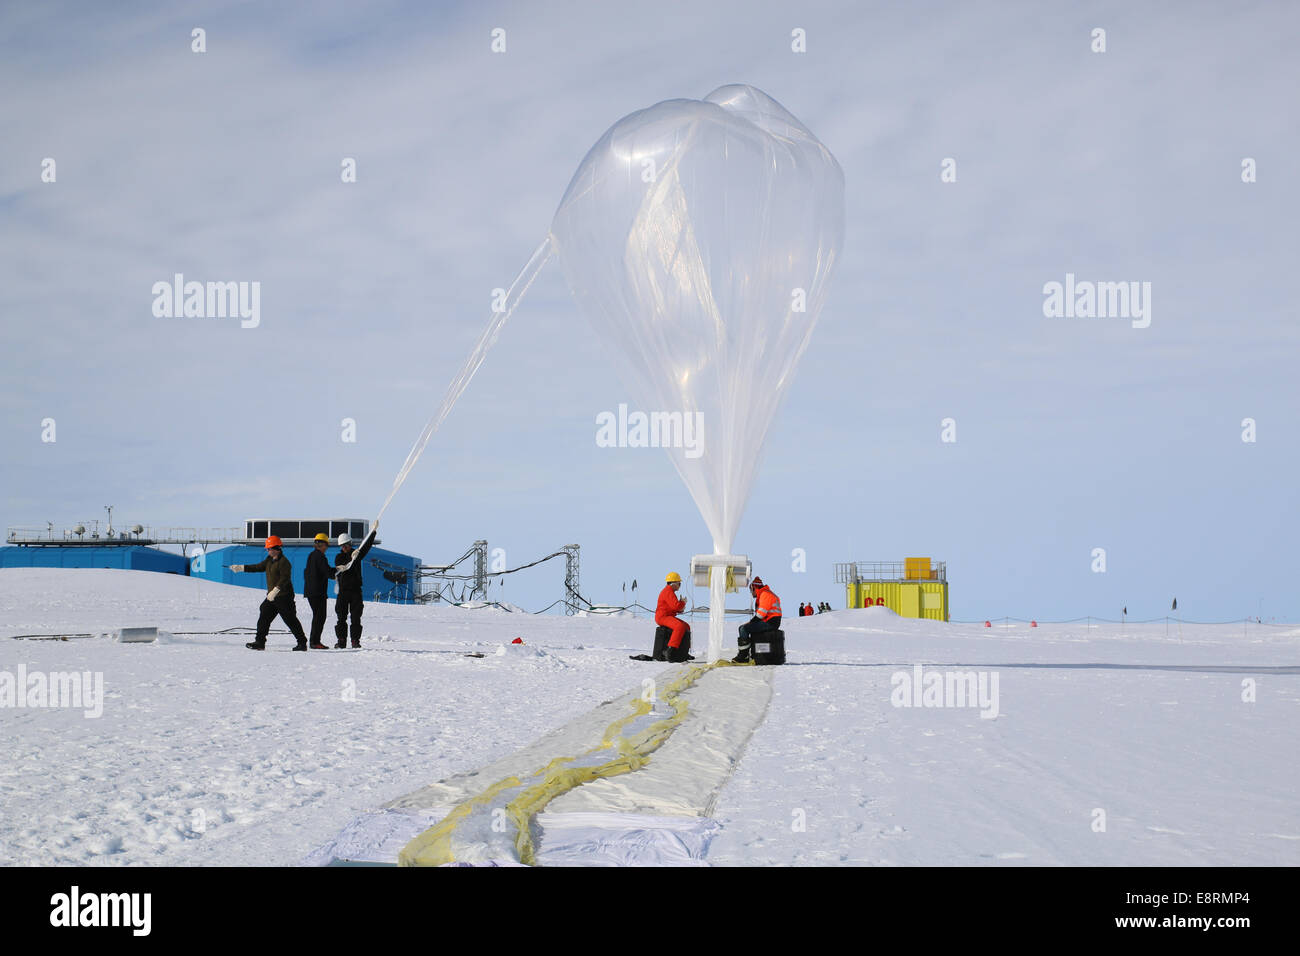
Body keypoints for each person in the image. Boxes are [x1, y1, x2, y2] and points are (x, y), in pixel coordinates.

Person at [230, 536, 310, 651]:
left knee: (290, 620)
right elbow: (258, 567)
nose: (267, 551)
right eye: (267, 549)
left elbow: (285, 578)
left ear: (276, 548)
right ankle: (260, 642)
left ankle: (302, 643)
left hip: (284, 597)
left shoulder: (284, 562)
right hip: (272, 597)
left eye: (269, 549)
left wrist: (275, 590)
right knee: (264, 614)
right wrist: (241, 568)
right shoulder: (269, 560)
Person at [334, 524, 377, 648]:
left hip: (355, 591)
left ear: (350, 543)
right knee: (341, 617)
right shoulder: (339, 557)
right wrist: (351, 557)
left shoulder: (357, 555)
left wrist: (373, 532)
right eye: (342, 546)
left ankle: (355, 640)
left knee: (356, 617)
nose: (344, 547)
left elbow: (366, 546)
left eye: (346, 545)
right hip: (343, 591)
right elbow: (344, 565)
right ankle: (341, 640)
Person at [733, 575, 782, 663]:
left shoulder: (765, 594)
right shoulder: (765, 593)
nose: (751, 593)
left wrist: (749, 624)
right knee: (743, 627)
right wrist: (750, 623)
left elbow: (760, 615)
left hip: (770, 623)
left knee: (744, 629)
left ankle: (743, 656)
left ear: (754, 588)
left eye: (751, 590)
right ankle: (747, 654)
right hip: (769, 621)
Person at [303, 532, 336, 649]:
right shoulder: (320, 556)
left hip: (311, 591)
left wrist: (335, 570)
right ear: (322, 544)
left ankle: (314, 641)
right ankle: (315, 642)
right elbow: (327, 572)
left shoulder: (311, 556)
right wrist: (337, 572)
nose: (326, 548)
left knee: (318, 616)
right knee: (320, 616)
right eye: (326, 545)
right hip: (318, 592)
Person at [655, 572, 691, 661]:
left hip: (667, 616)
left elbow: (673, 607)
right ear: (674, 583)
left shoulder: (669, 591)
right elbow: (676, 606)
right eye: (679, 583)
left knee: (686, 626)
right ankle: (671, 650)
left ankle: (684, 652)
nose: (680, 585)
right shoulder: (668, 591)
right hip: (663, 617)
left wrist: (680, 608)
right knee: (679, 626)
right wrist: (682, 603)